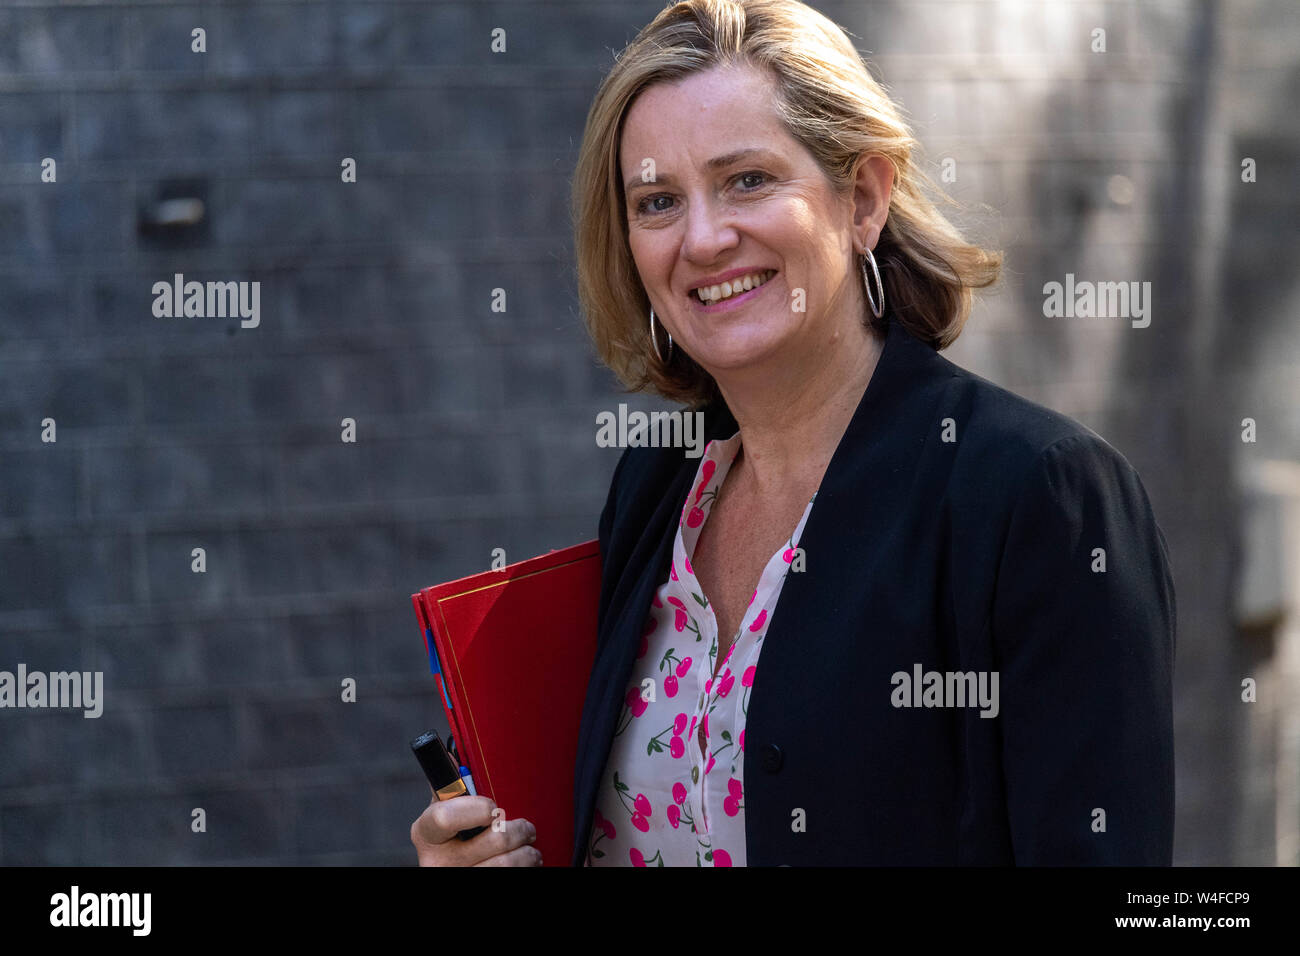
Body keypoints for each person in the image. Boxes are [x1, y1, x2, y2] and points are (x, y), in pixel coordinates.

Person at [412, 0, 1175, 867]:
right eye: (658, 201)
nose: (704, 239)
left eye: (747, 180)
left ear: (864, 200)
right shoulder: (658, 485)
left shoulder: (1040, 496)